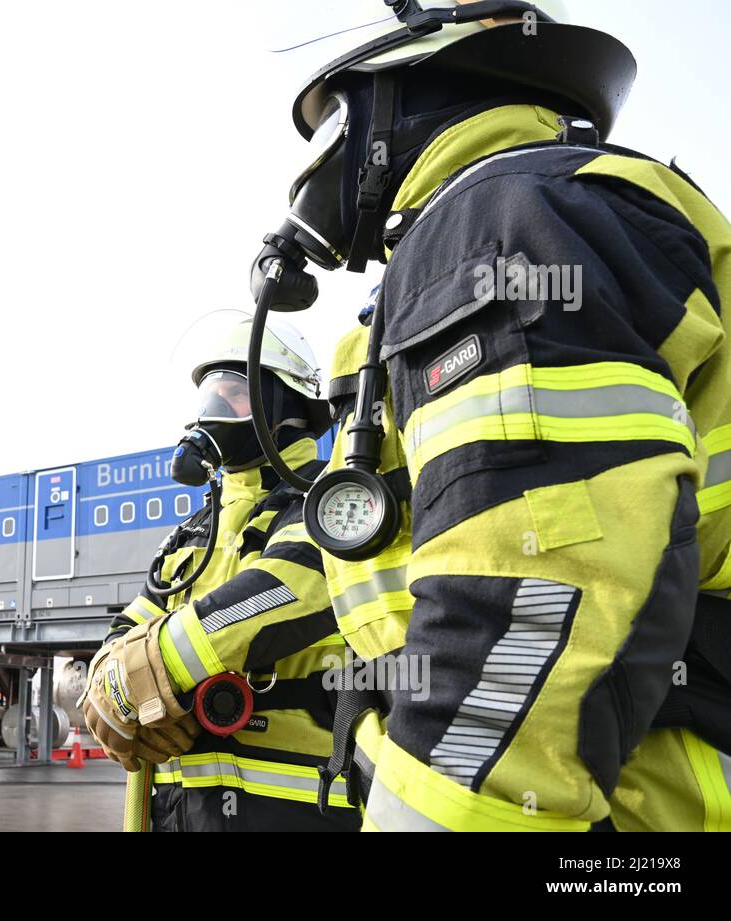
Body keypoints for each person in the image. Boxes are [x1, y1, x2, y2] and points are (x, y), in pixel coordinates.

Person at [241, 0, 731, 830]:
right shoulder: (528, 213)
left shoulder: (496, 225)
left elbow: (533, 590)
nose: (321, 163)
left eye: (335, 121)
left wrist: (440, 814)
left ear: (403, 91)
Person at [82, 316, 361, 831]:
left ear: (285, 408)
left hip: (297, 812)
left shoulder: (332, 501)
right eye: (209, 395)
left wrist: (151, 669)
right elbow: (122, 633)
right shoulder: (192, 535)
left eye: (232, 393)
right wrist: (107, 682)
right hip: (179, 815)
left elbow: (291, 587)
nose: (211, 411)